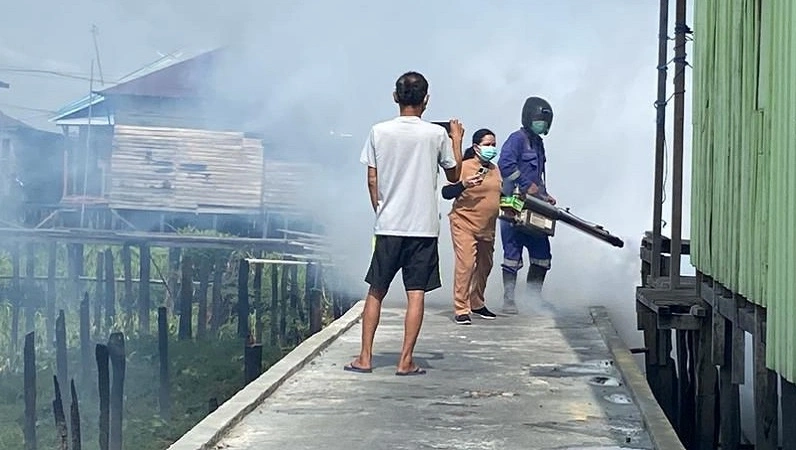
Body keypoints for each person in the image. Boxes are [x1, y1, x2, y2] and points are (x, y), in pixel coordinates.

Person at [345, 71, 464, 376]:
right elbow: (454, 176)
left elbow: (371, 178)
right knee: (416, 294)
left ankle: (365, 357)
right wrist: (457, 140)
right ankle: (405, 360)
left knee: (376, 290)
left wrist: (380, 210)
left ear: (395, 97)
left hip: (389, 224)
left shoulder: (378, 132)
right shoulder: (435, 136)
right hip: (423, 227)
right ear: (426, 100)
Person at [497, 96, 557, 314]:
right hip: (513, 205)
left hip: (534, 206)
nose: (543, 124)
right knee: (512, 255)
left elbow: (537, 176)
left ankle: (533, 299)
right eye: (540, 119)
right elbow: (505, 165)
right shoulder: (516, 139)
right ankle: (509, 300)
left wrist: (544, 194)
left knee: (542, 255)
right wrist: (524, 184)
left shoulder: (538, 143)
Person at [441, 128, 502, 325]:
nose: (491, 148)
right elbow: (446, 192)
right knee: (466, 265)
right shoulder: (464, 166)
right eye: (487, 145)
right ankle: (461, 307)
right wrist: (464, 185)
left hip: (487, 226)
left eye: (493, 145)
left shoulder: (495, 169)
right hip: (463, 222)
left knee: (485, 265)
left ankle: (477, 301)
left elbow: (497, 194)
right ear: (476, 147)